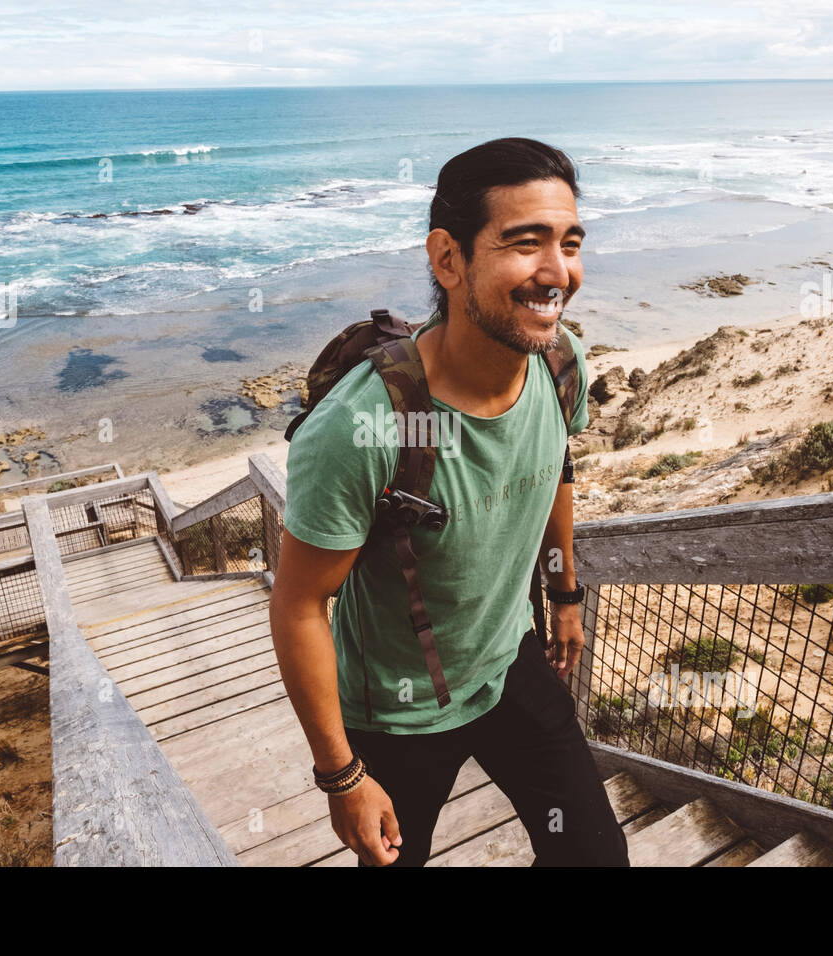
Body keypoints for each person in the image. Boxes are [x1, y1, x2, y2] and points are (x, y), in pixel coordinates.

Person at [269, 137, 629, 867]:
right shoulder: (361, 428)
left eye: (570, 242)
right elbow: (300, 605)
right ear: (448, 259)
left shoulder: (560, 362)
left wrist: (564, 593)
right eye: (525, 244)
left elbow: (555, 465)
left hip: (507, 664)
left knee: (594, 856)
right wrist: (342, 777)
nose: (557, 273)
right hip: (395, 716)